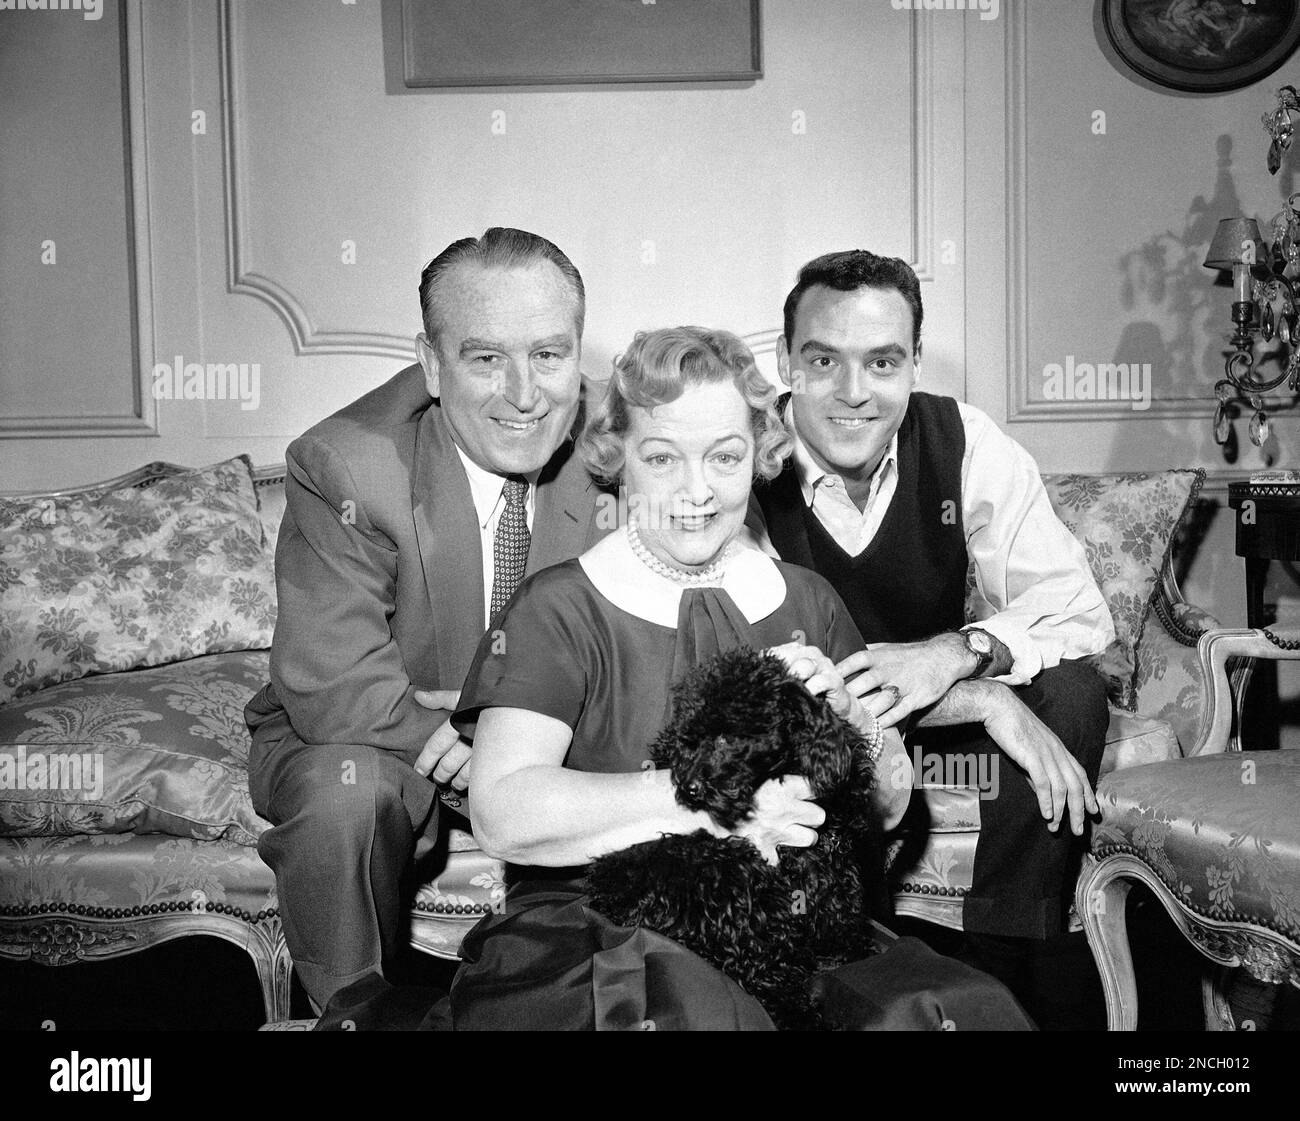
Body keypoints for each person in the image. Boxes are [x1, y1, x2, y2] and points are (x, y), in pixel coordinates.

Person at [442, 326, 1030, 1030]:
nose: (696, 490)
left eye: (724, 457)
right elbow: (503, 811)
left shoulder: (808, 599)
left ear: (758, 457)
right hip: (600, 923)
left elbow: (890, 810)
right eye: (662, 458)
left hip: (796, 924)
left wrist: (858, 723)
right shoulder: (558, 607)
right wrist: (722, 806)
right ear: (617, 458)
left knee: (950, 1013)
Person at [243, 228, 610, 1010]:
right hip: (384, 731)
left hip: (556, 730)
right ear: (431, 363)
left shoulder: (627, 448)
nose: (524, 393)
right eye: (485, 358)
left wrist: (532, 746)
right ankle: (349, 1016)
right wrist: (480, 763)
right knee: (344, 795)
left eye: (549, 354)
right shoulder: (345, 463)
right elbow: (335, 677)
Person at [748, 249, 1115, 1004]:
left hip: (930, 720)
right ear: (785, 360)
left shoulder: (964, 439)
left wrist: (959, 651)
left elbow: (1078, 609)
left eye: (882, 362)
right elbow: (755, 669)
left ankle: (1003, 957)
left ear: (915, 361)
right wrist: (982, 696)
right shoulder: (741, 456)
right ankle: (843, 967)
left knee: (1074, 693)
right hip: (811, 724)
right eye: (823, 360)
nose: (854, 393)